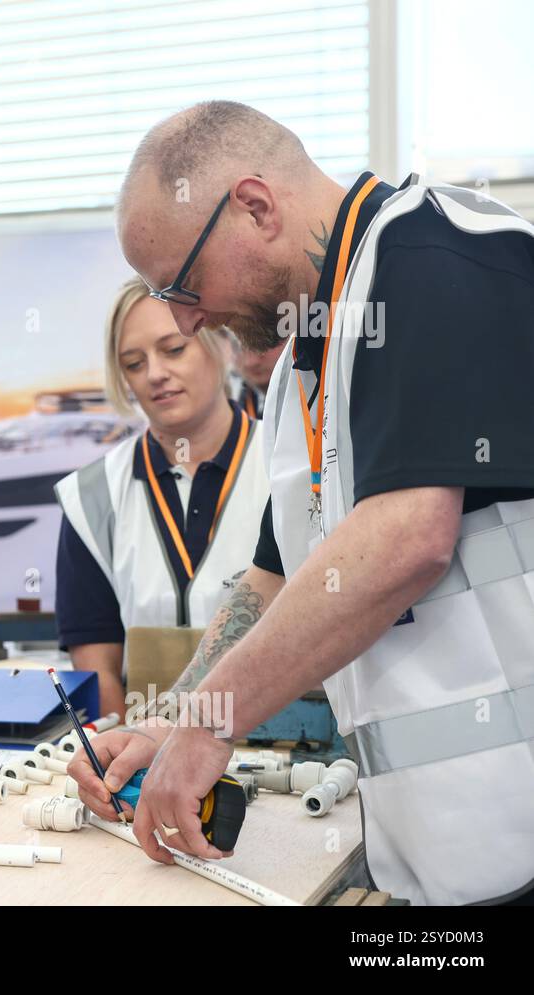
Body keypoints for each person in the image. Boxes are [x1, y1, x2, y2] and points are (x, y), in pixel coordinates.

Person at [73, 99, 534, 906]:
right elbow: (272, 578)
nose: (187, 316)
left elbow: (408, 536)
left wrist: (210, 727)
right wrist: (165, 721)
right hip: (448, 855)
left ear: (255, 204)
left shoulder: (428, 254)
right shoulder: (301, 371)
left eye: (182, 284)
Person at [54, 277, 269, 716]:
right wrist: (124, 766)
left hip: (289, 762)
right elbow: (99, 673)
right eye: (134, 363)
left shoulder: (289, 465)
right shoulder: (91, 498)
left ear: (223, 347)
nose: (155, 374)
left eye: (173, 350)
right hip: (144, 768)